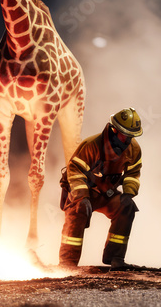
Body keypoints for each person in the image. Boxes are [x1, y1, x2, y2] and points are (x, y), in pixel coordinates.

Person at [58, 108, 143, 270]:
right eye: (125, 135)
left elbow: (133, 174)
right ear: (114, 130)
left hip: (106, 194)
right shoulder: (91, 145)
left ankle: (115, 258)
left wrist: (128, 193)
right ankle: (67, 264)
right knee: (78, 210)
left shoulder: (134, 149)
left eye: (131, 136)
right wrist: (82, 197)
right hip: (83, 192)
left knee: (127, 207)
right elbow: (75, 172)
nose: (128, 140)